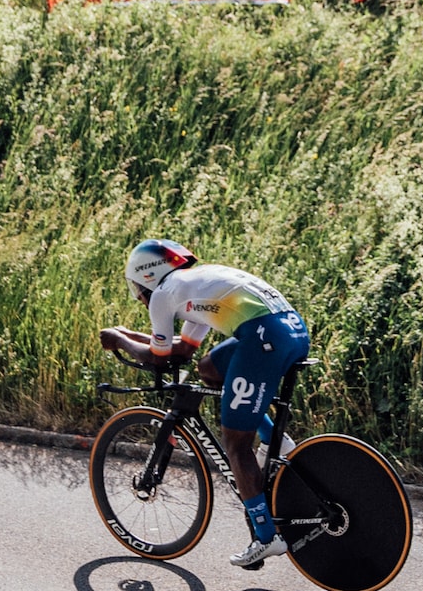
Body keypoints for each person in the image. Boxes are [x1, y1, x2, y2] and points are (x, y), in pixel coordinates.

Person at [108, 240, 313, 570]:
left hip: (262, 338)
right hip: (290, 330)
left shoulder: (162, 294)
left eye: (136, 288)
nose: (138, 296)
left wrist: (119, 340)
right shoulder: (194, 287)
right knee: (209, 369)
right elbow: (185, 351)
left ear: (147, 277)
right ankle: (279, 441)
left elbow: (160, 359)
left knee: (236, 445)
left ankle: (265, 536)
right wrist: (130, 334)